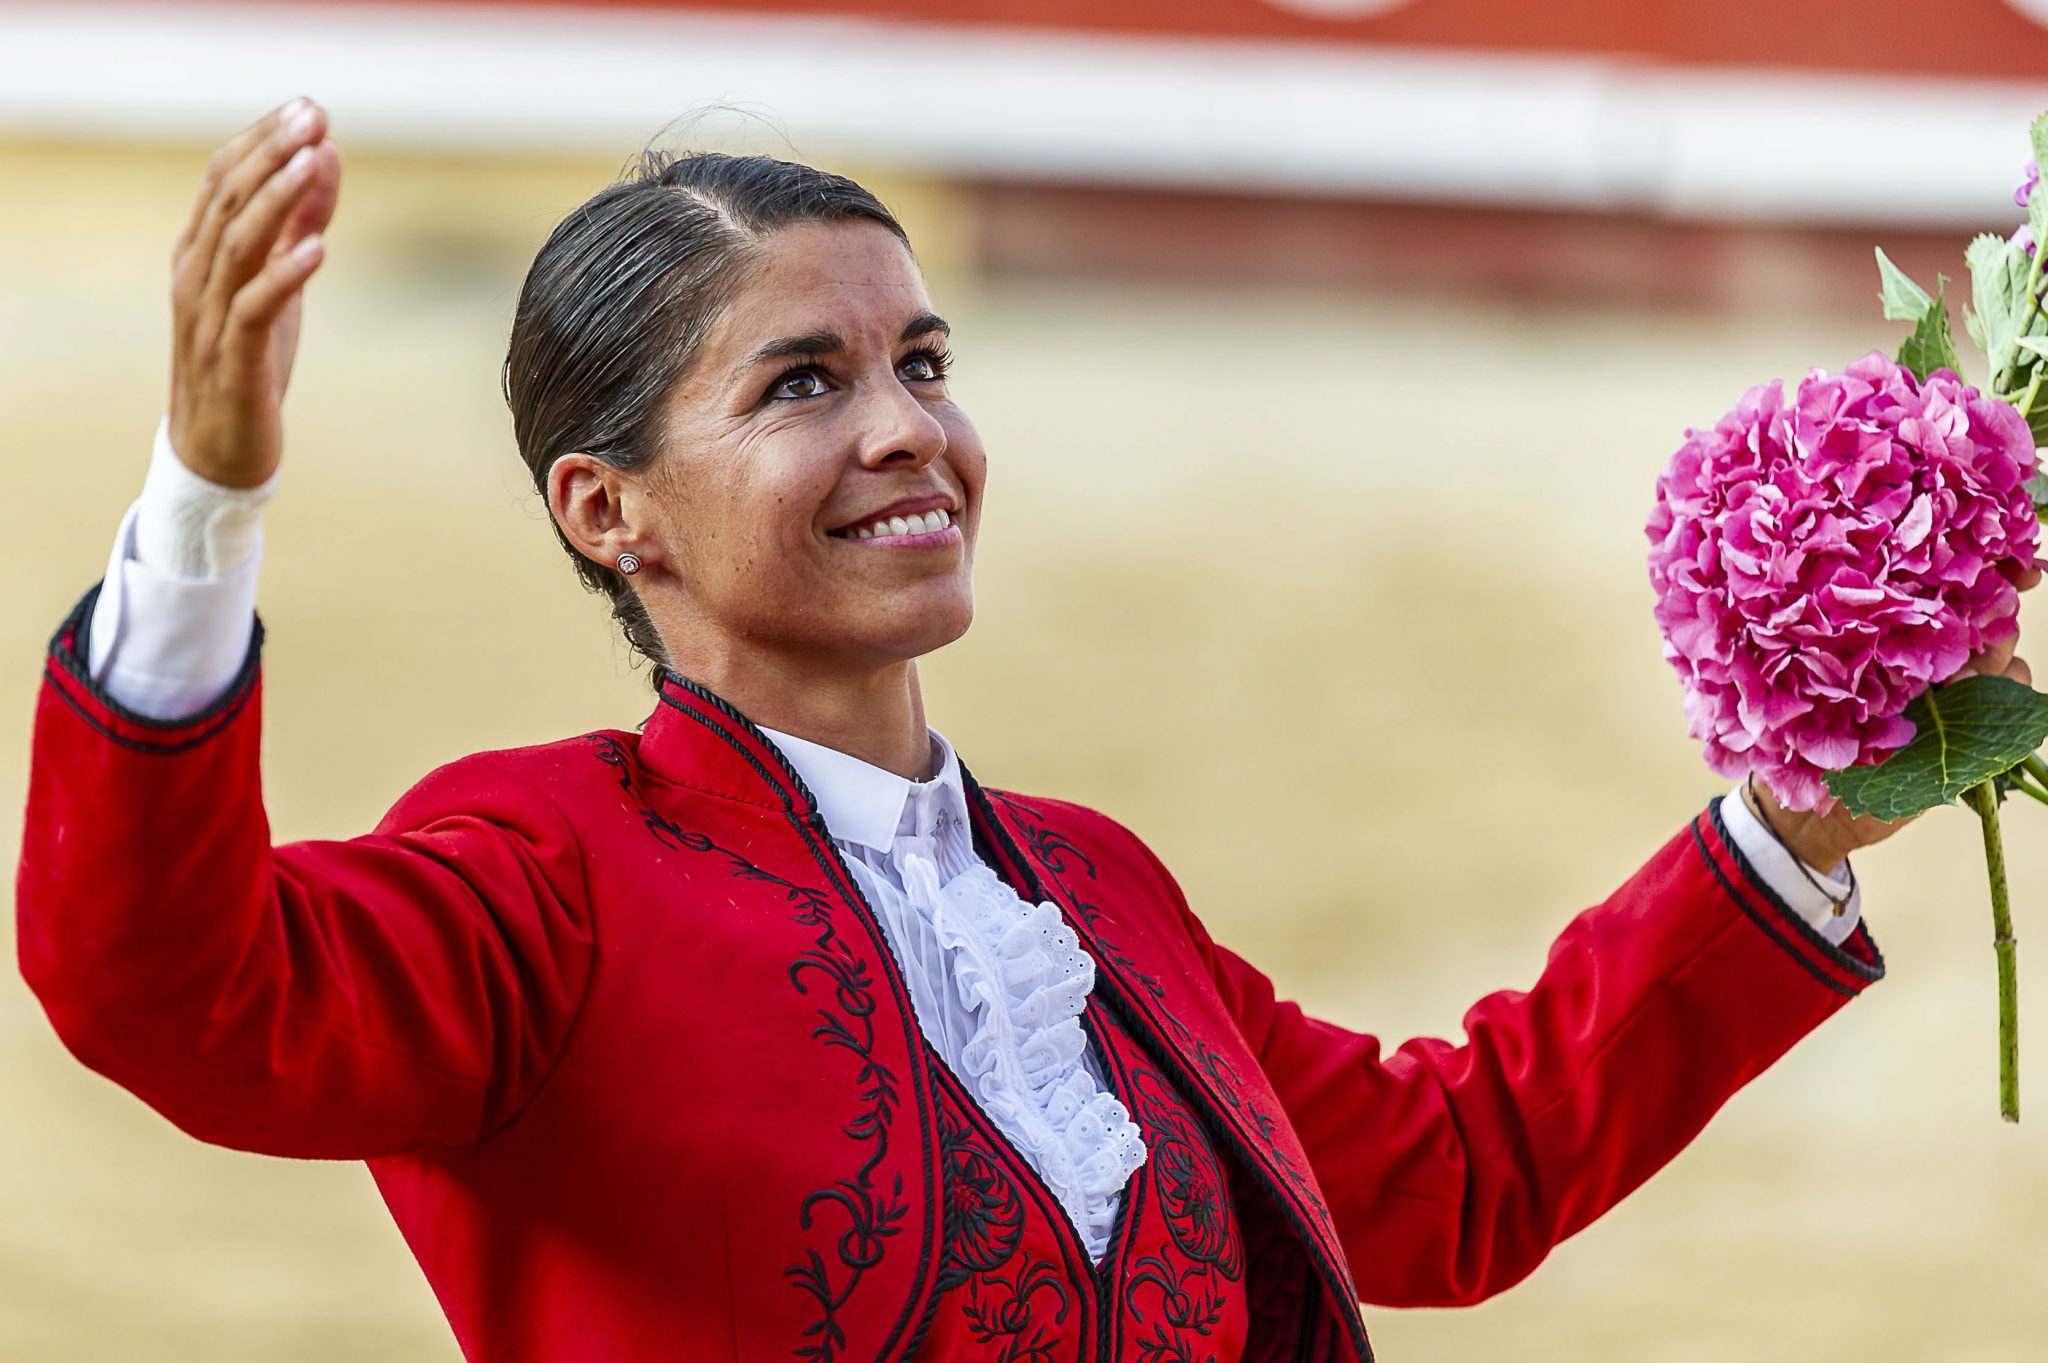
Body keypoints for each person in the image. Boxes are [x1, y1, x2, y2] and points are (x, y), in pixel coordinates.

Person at [16, 96, 2035, 1363]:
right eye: (802, 381)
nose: (906, 425)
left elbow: (1448, 1173)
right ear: (605, 510)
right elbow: (170, 987)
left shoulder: (1091, 887)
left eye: (921, 358)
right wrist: (203, 505)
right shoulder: (543, 873)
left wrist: (1797, 813)